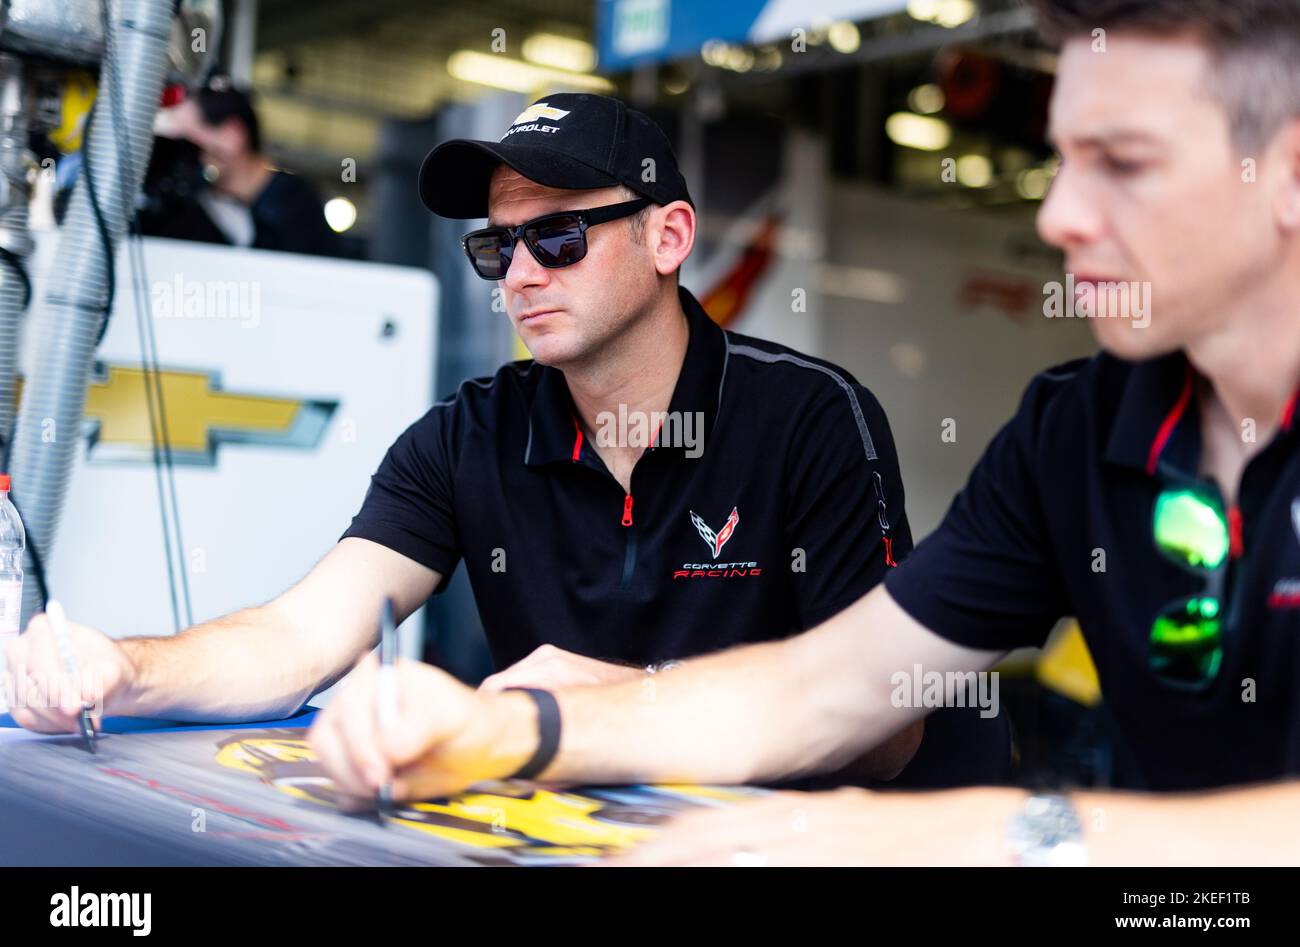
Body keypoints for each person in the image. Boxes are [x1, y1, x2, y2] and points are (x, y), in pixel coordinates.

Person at [302, 0, 1300, 865]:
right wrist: (507, 724)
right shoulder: (1075, 429)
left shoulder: (809, 413)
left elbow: (893, 749)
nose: (1059, 215)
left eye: (1122, 162)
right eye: (1064, 158)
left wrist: (976, 835)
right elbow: (828, 685)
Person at [6, 93, 1005, 788]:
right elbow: (300, 635)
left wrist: (595, 701)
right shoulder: (467, 434)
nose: (519, 272)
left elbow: (885, 730)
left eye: (559, 238)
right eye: (497, 245)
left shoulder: (808, 415)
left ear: (667, 238)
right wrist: (122, 666)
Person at [143, 78, 340, 257]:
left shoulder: (295, 204)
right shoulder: (197, 205)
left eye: (190, 142)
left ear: (232, 135)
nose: (186, 156)